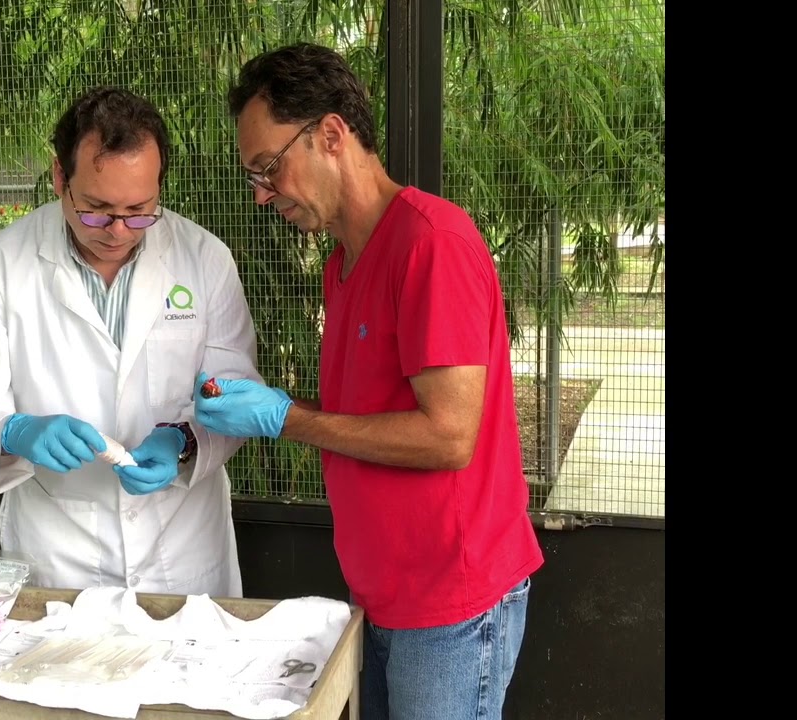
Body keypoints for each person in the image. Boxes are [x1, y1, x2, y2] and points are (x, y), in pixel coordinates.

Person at [196, 43, 546, 719]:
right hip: (382, 594)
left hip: (452, 602)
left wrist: (286, 420)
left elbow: (448, 437)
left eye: (269, 168)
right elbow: (366, 416)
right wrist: (271, 406)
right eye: (254, 178)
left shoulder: (430, 242)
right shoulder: (344, 262)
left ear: (331, 134)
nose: (264, 194)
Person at [0, 86, 261, 597]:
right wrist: (13, 431)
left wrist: (184, 441)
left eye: (140, 211)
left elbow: (236, 391)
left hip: (181, 549)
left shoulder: (204, 259)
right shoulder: (3, 265)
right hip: (59, 555)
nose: (118, 231)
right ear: (59, 178)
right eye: (96, 210)